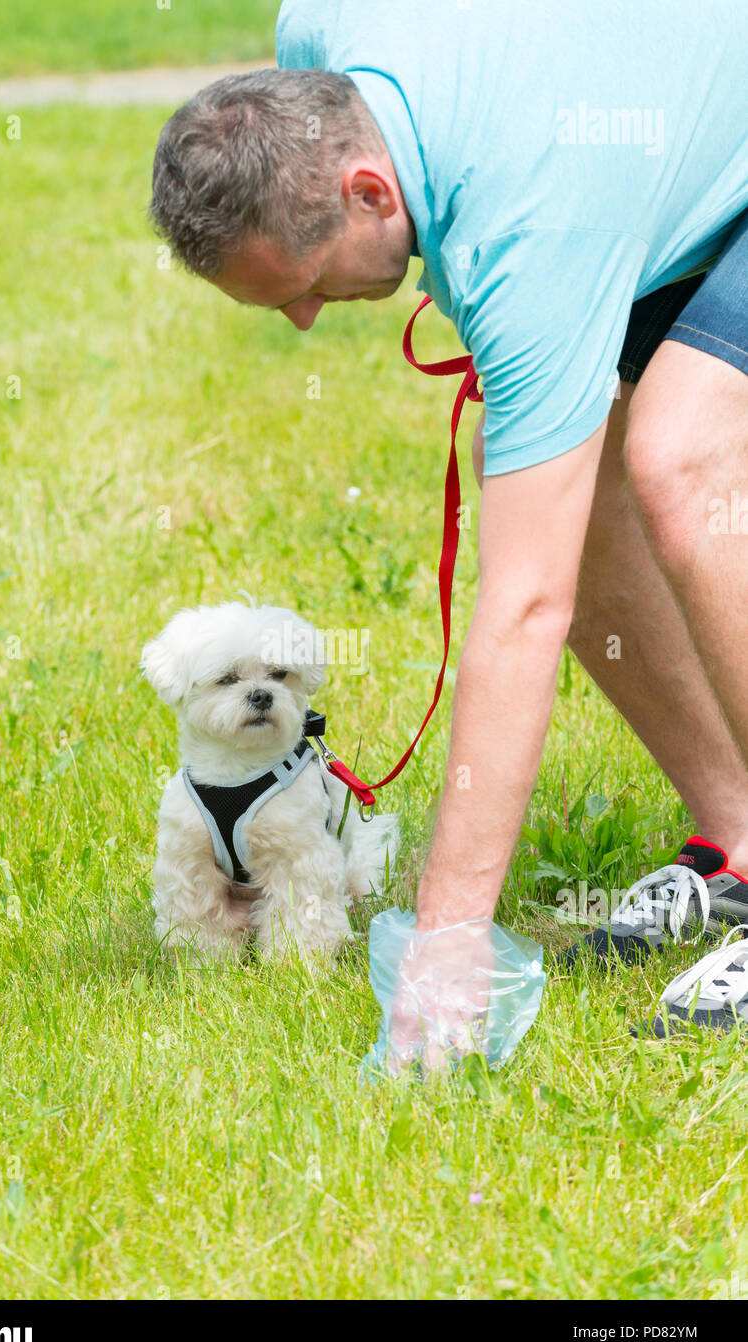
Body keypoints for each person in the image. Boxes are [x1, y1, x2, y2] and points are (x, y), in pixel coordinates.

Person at [149, 0, 748, 1051]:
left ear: (368, 189)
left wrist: (449, 936)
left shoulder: (533, 231)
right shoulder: (318, 36)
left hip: (655, 146)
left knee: (677, 450)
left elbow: (523, 606)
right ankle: (743, 839)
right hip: (654, 128)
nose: (302, 320)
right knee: (571, 473)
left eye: (303, 289)